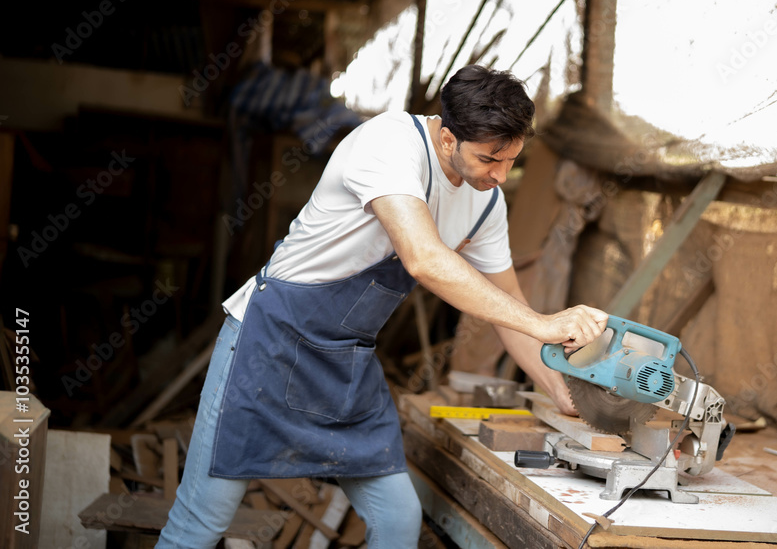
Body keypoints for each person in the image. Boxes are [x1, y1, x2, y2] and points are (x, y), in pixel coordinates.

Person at [156, 65, 609, 548]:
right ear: (448, 138)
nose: (500, 176)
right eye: (489, 159)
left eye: (512, 161)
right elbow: (424, 259)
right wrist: (544, 324)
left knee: (397, 519)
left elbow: (510, 308)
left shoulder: (486, 203)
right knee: (202, 523)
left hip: (345, 362)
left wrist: (560, 390)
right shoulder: (389, 143)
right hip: (269, 343)